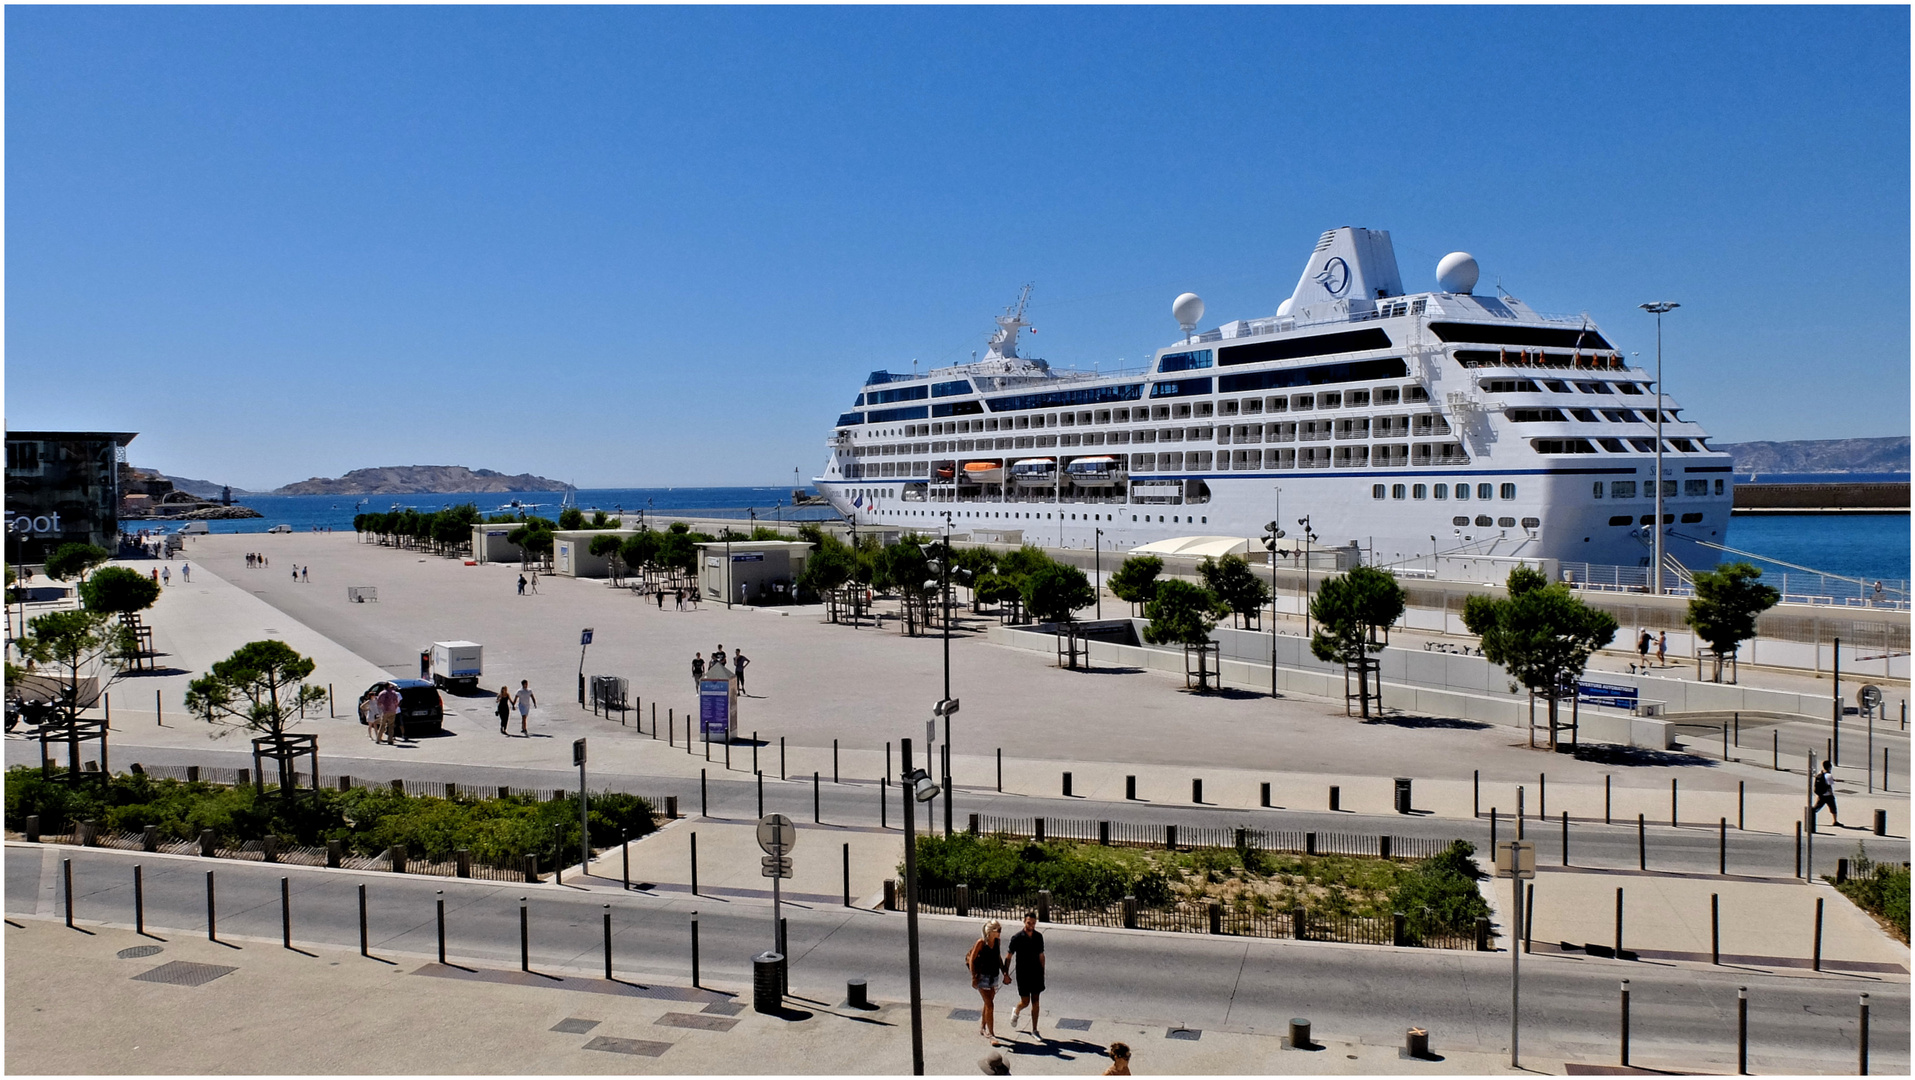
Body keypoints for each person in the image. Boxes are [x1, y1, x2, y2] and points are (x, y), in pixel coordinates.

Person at [1006, 912, 1046, 1036]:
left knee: (1036, 1000)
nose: (1031, 925)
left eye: (1033, 923)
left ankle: (1034, 1029)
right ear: (1024, 921)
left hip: (1036, 973)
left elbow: (1041, 955)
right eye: (1029, 923)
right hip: (1023, 974)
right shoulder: (1017, 938)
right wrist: (1005, 973)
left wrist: (1042, 971)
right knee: (1025, 1001)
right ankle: (1017, 1010)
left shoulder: (1038, 937)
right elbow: (1009, 956)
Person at [966, 920, 1005, 1044]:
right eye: (998, 930)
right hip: (982, 976)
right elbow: (972, 959)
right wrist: (973, 977)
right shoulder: (981, 943)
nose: (1000, 932)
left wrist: (1004, 972)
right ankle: (991, 1033)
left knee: (989, 1002)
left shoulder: (997, 942)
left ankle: (983, 1027)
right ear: (991, 931)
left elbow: (998, 958)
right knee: (990, 1004)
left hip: (994, 975)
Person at [1812, 758, 1840, 826]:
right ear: (1829, 767)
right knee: (1833, 808)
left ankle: (1810, 816)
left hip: (1821, 795)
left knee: (1816, 807)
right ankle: (1835, 821)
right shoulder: (1829, 775)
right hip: (1828, 795)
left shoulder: (1820, 773)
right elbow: (1830, 785)